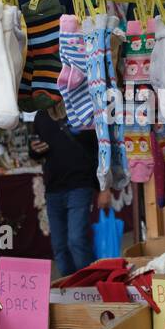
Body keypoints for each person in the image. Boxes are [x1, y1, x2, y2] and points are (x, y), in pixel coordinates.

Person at [30, 102, 109, 276]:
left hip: (80, 184)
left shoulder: (79, 109)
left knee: (76, 239)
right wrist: (35, 150)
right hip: (53, 188)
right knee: (59, 245)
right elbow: (35, 150)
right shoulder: (41, 116)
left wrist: (104, 188)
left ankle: (88, 284)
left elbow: (98, 149)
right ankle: (70, 287)